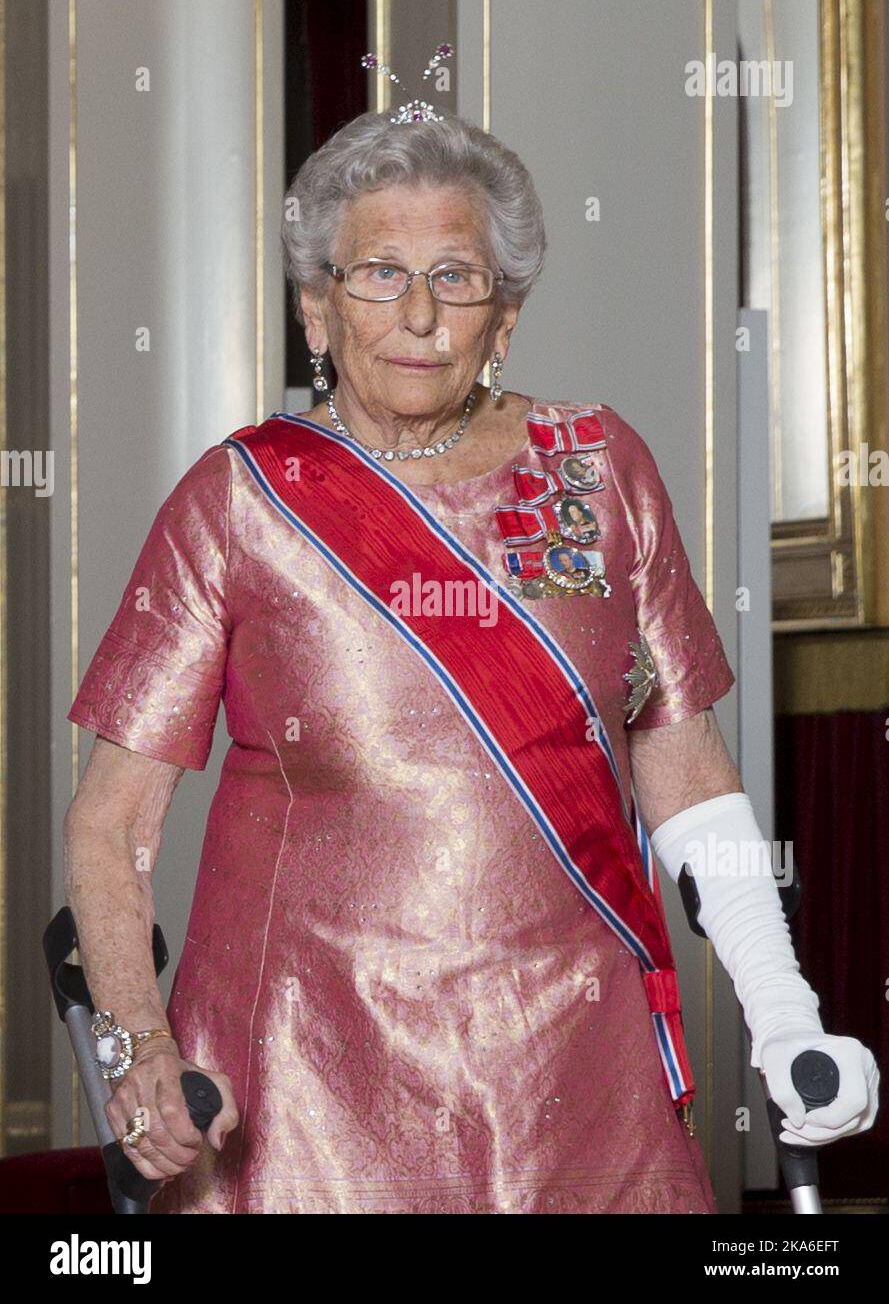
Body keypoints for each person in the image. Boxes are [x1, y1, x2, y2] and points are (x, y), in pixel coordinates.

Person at [63, 101, 878, 1216]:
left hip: (577, 1071)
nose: (416, 314)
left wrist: (784, 1012)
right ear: (315, 308)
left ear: (504, 320)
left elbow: (685, 772)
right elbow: (112, 823)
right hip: (306, 1074)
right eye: (376, 274)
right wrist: (138, 1050)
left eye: (456, 279)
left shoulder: (594, 468)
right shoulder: (237, 501)